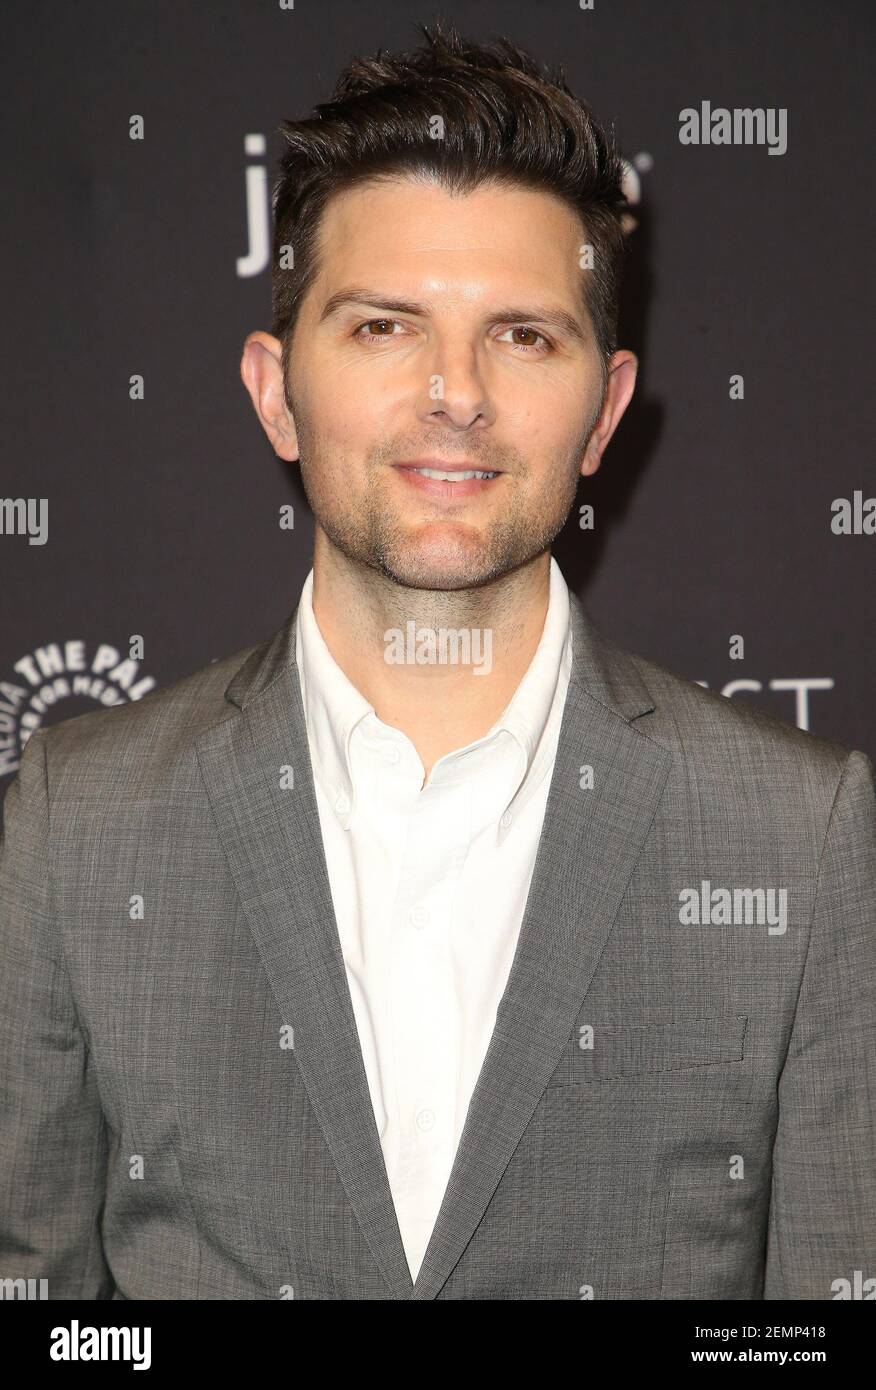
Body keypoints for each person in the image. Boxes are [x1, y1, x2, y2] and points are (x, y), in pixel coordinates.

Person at [1, 21, 874, 1300]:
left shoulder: (798, 839)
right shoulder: (76, 821)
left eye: (523, 335)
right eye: (382, 329)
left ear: (607, 410)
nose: (455, 392)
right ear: (275, 391)